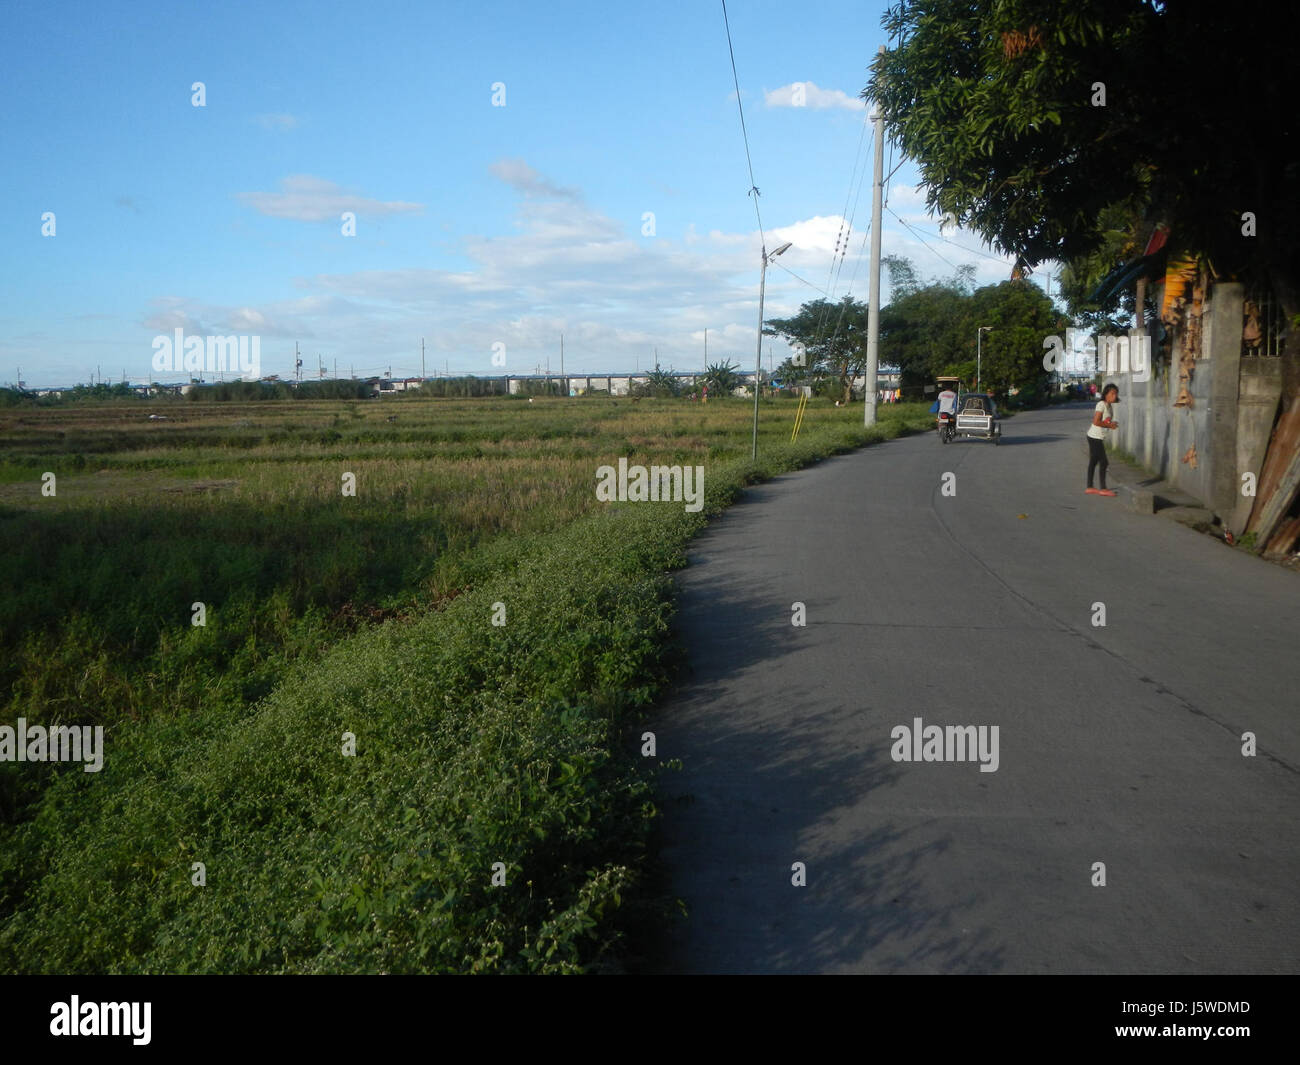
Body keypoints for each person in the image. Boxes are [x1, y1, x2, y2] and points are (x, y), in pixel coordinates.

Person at [1086, 383, 1120, 496]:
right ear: (1106, 394)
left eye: (1116, 394)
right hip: (1094, 437)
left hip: (1097, 437)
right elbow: (1096, 421)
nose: (1114, 396)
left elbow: (1105, 421)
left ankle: (1089, 487)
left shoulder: (1109, 406)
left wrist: (1111, 423)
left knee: (1094, 461)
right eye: (1112, 393)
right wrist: (1110, 426)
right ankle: (1103, 489)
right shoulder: (1101, 404)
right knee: (1104, 462)